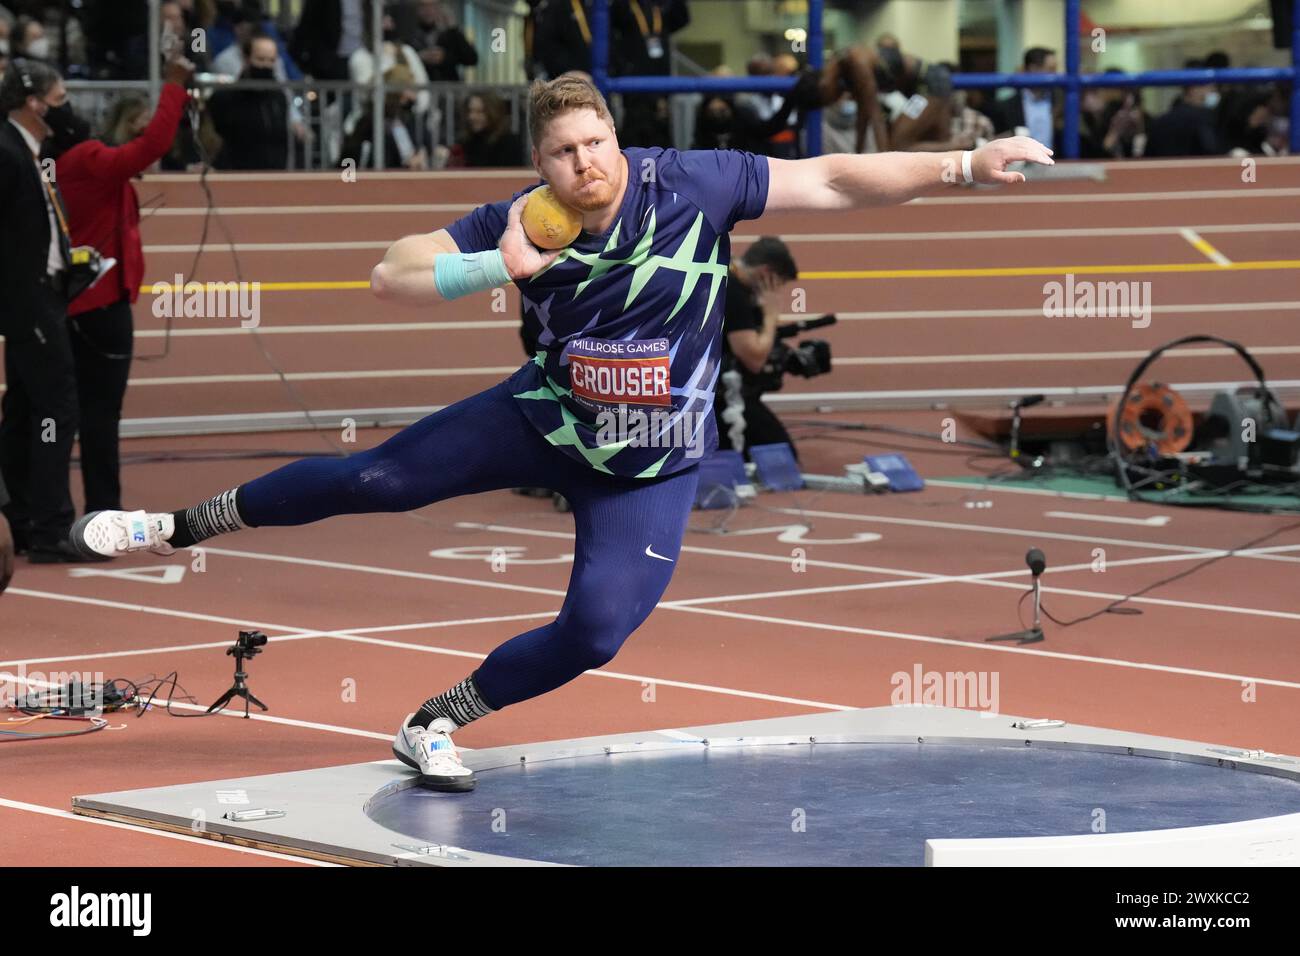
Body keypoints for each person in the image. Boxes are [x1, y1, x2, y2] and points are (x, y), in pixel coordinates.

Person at [71, 74, 1053, 791]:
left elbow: (833, 178)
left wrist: (963, 162)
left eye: (594, 143)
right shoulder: (520, 222)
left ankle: (435, 719)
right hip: (540, 424)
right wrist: (493, 267)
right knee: (373, 481)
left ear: (616, 140)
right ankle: (173, 525)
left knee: (596, 631)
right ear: (538, 163)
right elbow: (389, 273)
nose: (583, 164)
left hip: (654, 465)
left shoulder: (695, 184)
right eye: (561, 152)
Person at [43, 57, 194, 517]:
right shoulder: (90, 159)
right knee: (99, 415)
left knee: (55, 413)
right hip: (98, 301)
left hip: (72, 299)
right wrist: (174, 88)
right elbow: (151, 147)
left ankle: (39, 515)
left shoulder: (60, 161)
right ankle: (101, 511)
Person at [0, 58, 94, 563]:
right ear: (33, 103)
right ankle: (50, 525)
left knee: (23, 411)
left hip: (42, 293)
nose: (66, 110)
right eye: (59, 100)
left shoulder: (32, 151)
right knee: (57, 406)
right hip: (28, 300)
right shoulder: (7, 152)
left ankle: (19, 516)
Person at [714, 236, 800, 459]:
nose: (778, 292)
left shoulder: (725, 270)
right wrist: (771, 315)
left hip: (703, 380)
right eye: (778, 284)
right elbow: (754, 359)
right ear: (765, 273)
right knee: (781, 456)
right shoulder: (735, 294)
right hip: (722, 394)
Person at [207, 33, 292, 169]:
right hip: (235, 175)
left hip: (273, 175)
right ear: (246, 59)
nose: (266, 65)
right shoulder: (223, 98)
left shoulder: (278, 97)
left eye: (271, 60)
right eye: (260, 59)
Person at [989, 47, 1061, 151]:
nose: (1055, 75)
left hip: (1057, 164)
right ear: (1033, 69)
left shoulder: (1062, 101)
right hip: (1019, 165)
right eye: (1050, 69)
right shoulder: (1006, 107)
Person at [1144, 61, 1221, 157]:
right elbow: (1213, 152)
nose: (1214, 93)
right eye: (1211, 88)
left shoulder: (1160, 122)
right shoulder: (1206, 120)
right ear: (1194, 88)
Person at [403, 0, 478, 83]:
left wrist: (445, 57)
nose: (428, 10)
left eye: (432, 6)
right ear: (417, 9)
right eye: (423, 6)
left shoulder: (450, 34)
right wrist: (418, 58)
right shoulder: (408, 36)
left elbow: (471, 59)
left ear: (438, 8)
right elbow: (400, 64)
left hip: (449, 89)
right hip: (421, 89)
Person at [456, 90, 523, 167]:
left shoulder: (509, 142)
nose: (472, 117)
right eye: (470, 111)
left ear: (493, 112)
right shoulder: (465, 141)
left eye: (480, 112)